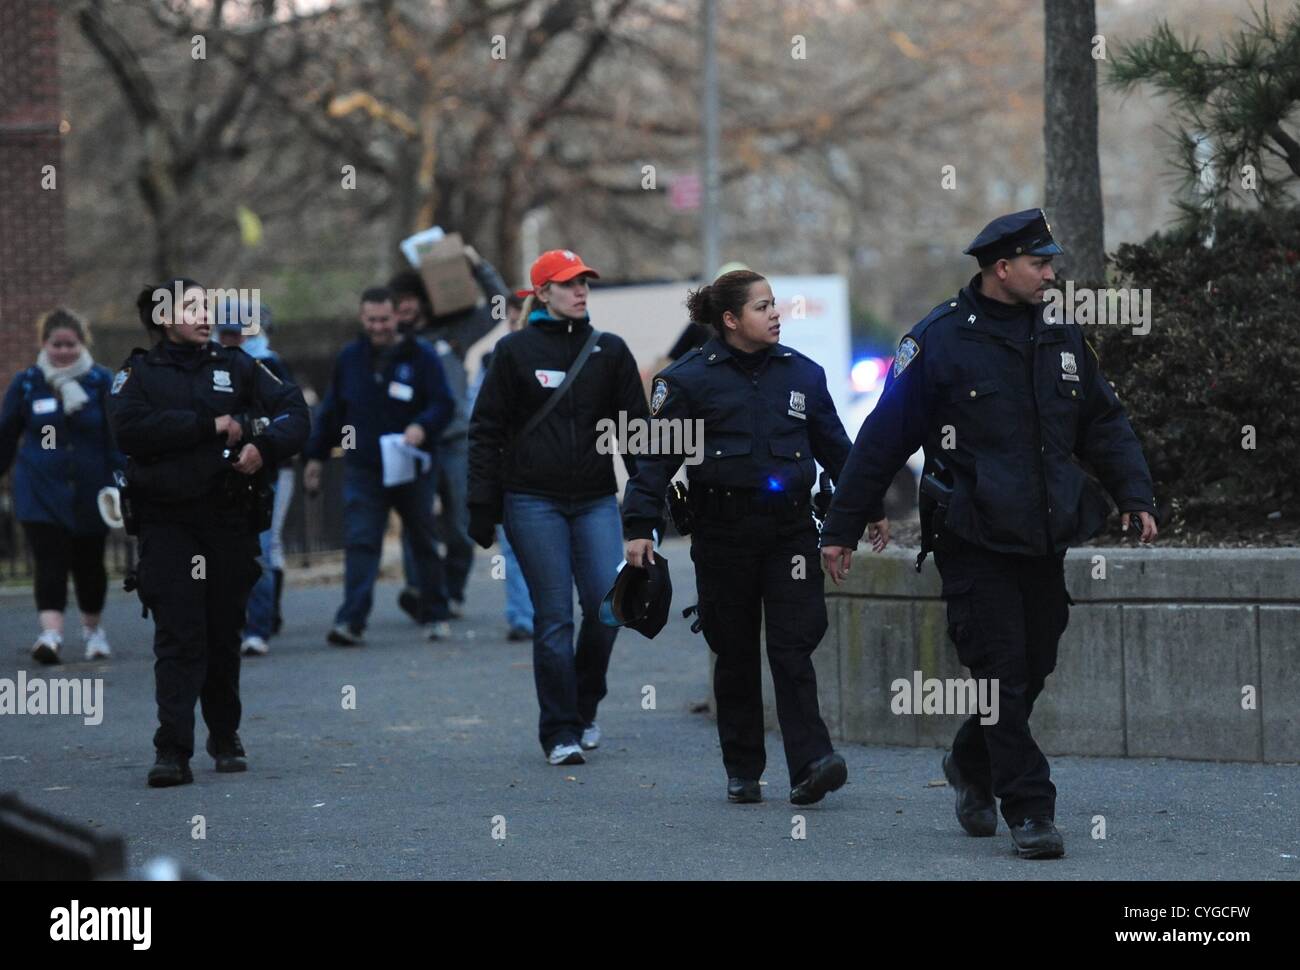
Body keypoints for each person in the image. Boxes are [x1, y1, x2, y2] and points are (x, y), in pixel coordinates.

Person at [819, 209, 1159, 859]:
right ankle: (1030, 809)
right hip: (973, 537)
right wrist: (840, 525)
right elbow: (884, 436)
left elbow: (1103, 422)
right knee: (1000, 669)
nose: (1051, 273)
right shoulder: (940, 340)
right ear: (1002, 268)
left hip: (1043, 534)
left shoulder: (1060, 333)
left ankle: (970, 762)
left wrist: (1134, 494)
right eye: (1041, 263)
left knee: (1033, 665)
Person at [621, 269, 853, 806]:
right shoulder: (685, 381)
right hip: (723, 534)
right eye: (762, 306)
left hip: (791, 531)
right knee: (735, 650)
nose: (775, 314)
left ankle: (811, 763)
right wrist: (639, 526)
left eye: (775, 305)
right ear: (730, 320)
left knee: (793, 647)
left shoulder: (804, 375)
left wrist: (861, 512)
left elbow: (839, 451)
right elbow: (653, 461)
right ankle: (744, 768)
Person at [108, 280, 309, 787]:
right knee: (178, 635)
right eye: (190, 308)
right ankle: (172, 749)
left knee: (223, 633)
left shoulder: (237, 365)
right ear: (161, 318)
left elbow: (296, 412)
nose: (204, 315)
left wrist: (262, 445)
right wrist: (209, 425)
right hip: (168, 521)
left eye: (205, 306)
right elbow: (129, 428)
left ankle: (225, 735)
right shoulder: (138, 373)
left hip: (226, 518)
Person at [468, 249, 647, 766]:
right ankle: (560, 730)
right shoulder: (514, 352)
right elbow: (485, 432)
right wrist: (481, 503)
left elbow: (636, 432)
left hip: (594, 500)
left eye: (585, 282)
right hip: (531, 502)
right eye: (568, 284)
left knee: (608, 609)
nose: (581, 291)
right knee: (553, 619)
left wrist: (647, 506)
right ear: (543, 293)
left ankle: (584, 706)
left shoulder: (609, 351)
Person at [303, 286, 455, 644]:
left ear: (396, 317)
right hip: (365, 467)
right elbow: (332, 411)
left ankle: (435, 612)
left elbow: (443, 403)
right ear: (362, 318)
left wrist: (423, 425)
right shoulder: (349, 358)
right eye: (371, 320)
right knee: (361, 541)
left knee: (423, 540)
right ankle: (351, 621)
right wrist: (315, 456)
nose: (378, 327)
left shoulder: (422, 356)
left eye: (384, 319)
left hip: (412, 465)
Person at [390, 247, 509, 624]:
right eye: (398, 304)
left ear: (424, 300)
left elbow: (498, 306)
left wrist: (478, 264)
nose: (404, 309)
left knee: (460, 526)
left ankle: (453, 590)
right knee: (417, 523)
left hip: (457, 440)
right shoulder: (394, 344)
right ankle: (419, 590)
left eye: (409, 301)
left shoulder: (455, 333)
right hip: (413, 444)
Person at [0, 309, 123, 664]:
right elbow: (7, 436)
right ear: (44, 344)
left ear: (83, 344)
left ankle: (93, 632)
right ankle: (50, 635)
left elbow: (116, 437)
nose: (64, 351)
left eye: (71, 344)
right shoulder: (27, 384)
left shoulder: (102, 381)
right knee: (49, 561)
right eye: (57, 344)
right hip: (40, 488)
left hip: (91, 489)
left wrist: (121, 479)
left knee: (89, 563)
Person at [211, 298, 296, 656]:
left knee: (262, 547)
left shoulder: (269, 366)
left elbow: (286, 416)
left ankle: (259, 624)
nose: (233, 341)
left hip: (265, 468)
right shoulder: (209, 368)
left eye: (240, 334)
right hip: (222, 469)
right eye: (227, 333)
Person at [468, 293, 533, 642]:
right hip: (512, 471)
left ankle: (543, 613)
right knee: (512, 547)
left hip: (550, 473)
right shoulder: (491, 361)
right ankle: (523, 616)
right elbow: (477, 418)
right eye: (511, 318)